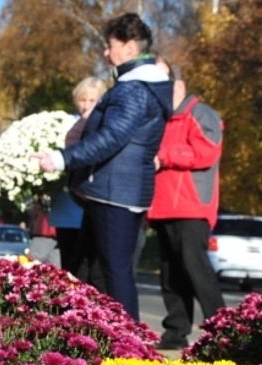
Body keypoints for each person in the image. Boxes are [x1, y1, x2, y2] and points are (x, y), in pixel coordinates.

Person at [36, 14, 172, 321]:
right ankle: (85, 333)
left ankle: (131, 349)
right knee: (87, 270)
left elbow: (112, 137)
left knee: (115, 273)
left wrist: (61, 159)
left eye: (110, 45)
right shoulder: (133, 85)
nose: (105, 53)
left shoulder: (136, 88)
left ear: (128, 47)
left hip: (117, 193)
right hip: (107, 191)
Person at [148, 62, 224, 349]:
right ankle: (175, 331)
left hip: (191, 208)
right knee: (171, 275)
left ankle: (223, 330)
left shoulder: (201, 114)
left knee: (197, 270)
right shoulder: (162, 119)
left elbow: (206, 152)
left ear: (178, 85)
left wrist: (163, 155)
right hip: (163, 208)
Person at [51, 76, 109, 282]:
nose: (86, 105)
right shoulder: (66, 123)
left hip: (91, 201)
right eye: (83, 100)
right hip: (67, 207)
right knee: (71, 264)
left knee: (91, 263)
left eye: (92, 100)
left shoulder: (105, 125)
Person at [26, 196, 57, 264]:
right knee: (53, 266)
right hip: (53, 235)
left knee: (32, 263)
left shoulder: (41, 206)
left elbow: (31, 212)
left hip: (42, 235)